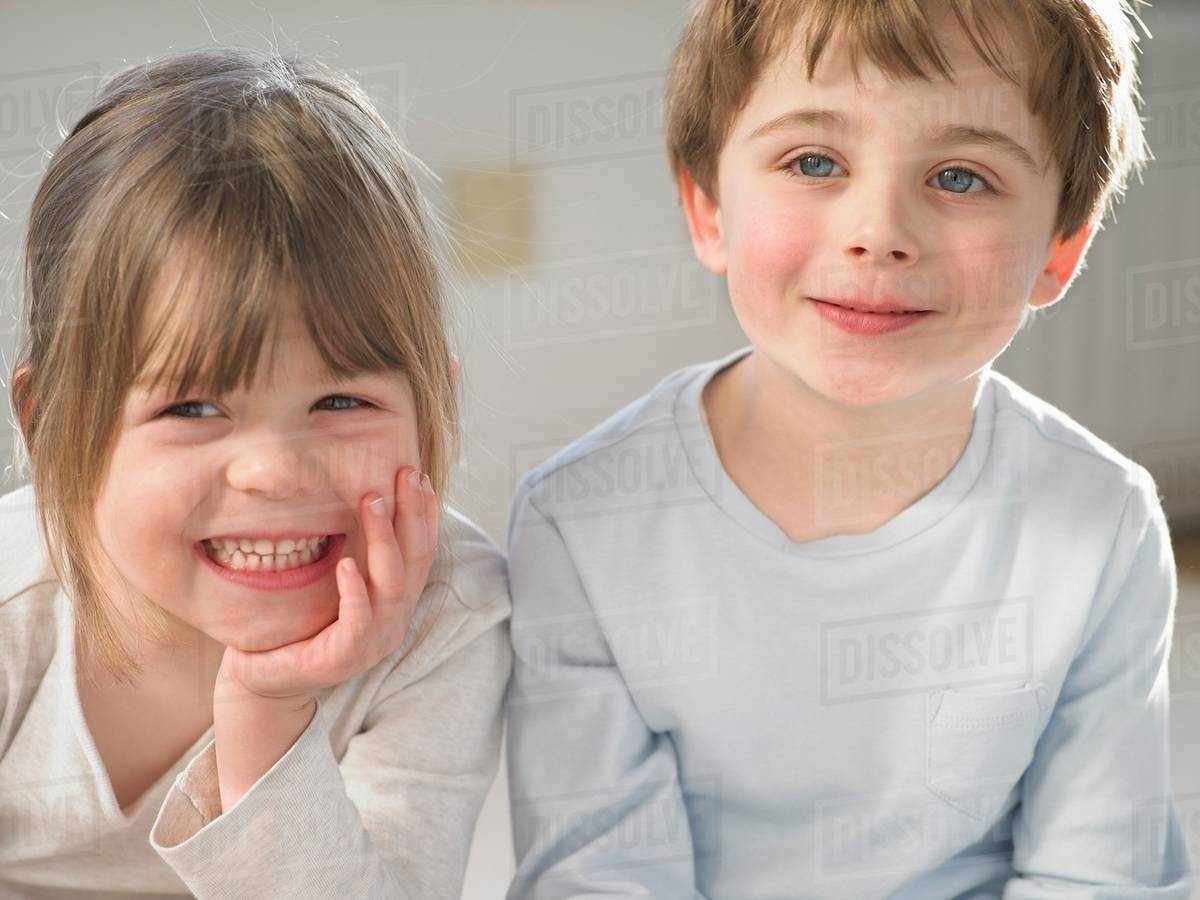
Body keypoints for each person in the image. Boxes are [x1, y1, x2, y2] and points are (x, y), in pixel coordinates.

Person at [504, 0, 1192, 896]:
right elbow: (597, 878)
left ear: (1062, 248)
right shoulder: (581, 524)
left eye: (959, 177)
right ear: (708, 209)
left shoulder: (1102, 520)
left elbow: (1102, 876)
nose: (880, 231)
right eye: (815, 162)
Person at [0, 46, 510, 899]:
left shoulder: (448, 618)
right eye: (193, 409)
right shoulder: (17, 614)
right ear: (51, 429)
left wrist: (269, 709)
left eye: (342, 401)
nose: (274, 472)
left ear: (431, 404)